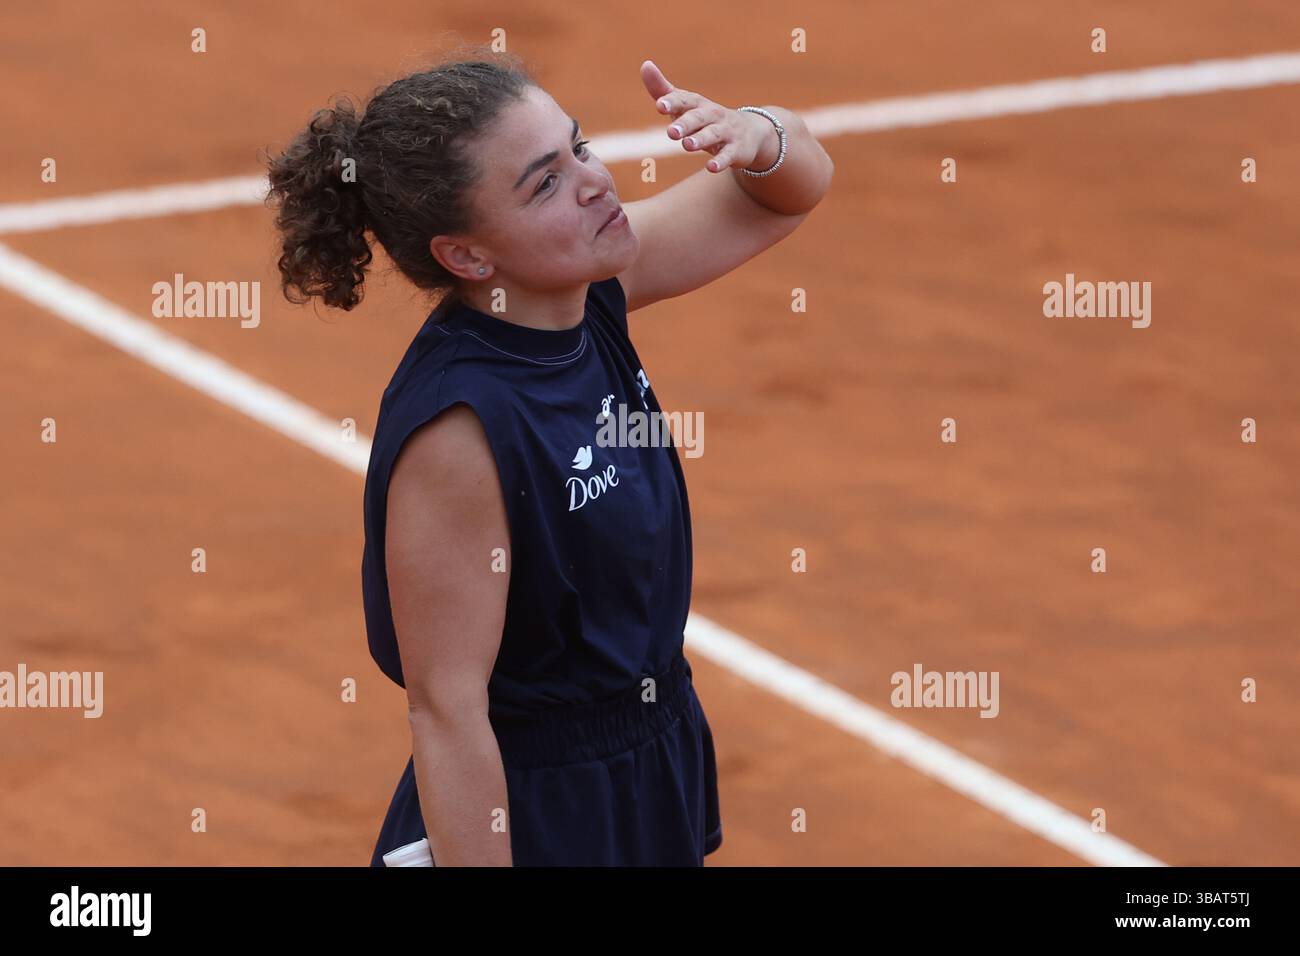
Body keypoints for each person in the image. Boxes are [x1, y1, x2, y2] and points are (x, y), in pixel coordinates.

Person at [264, 47, 834, 866]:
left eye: (581, 148)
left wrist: (759, 134)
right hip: (534, 807)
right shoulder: (459, 430)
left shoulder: (586, 292)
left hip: (649, 751)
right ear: (466, 256)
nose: (596, 182)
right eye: (545, 183)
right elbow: (447, 710)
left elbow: (785, 197)